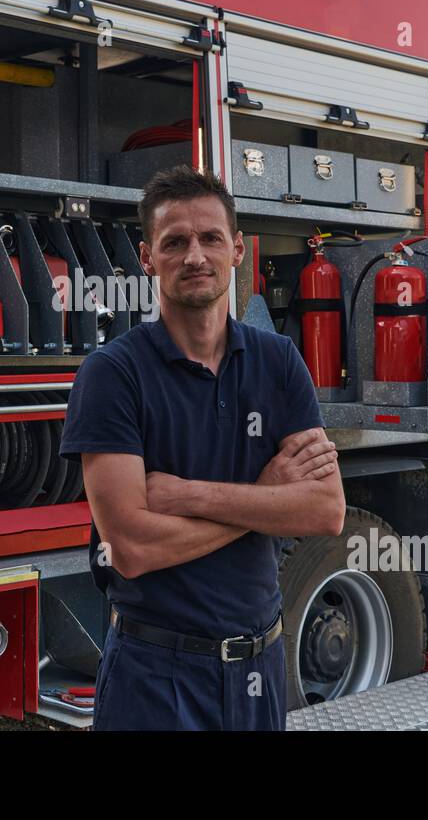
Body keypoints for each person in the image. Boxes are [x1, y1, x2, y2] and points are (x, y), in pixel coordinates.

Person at [59, 165, 345, 731]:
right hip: (155, 677)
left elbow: (325, 510)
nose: (195, 256)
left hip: (260, 671)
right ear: (147, 258)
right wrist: (266, 501)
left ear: (237, 249)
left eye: (211, 238)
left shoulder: (278, 359)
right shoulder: (113, 374)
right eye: (175, 242)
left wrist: (187, 494)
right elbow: (133, 547)